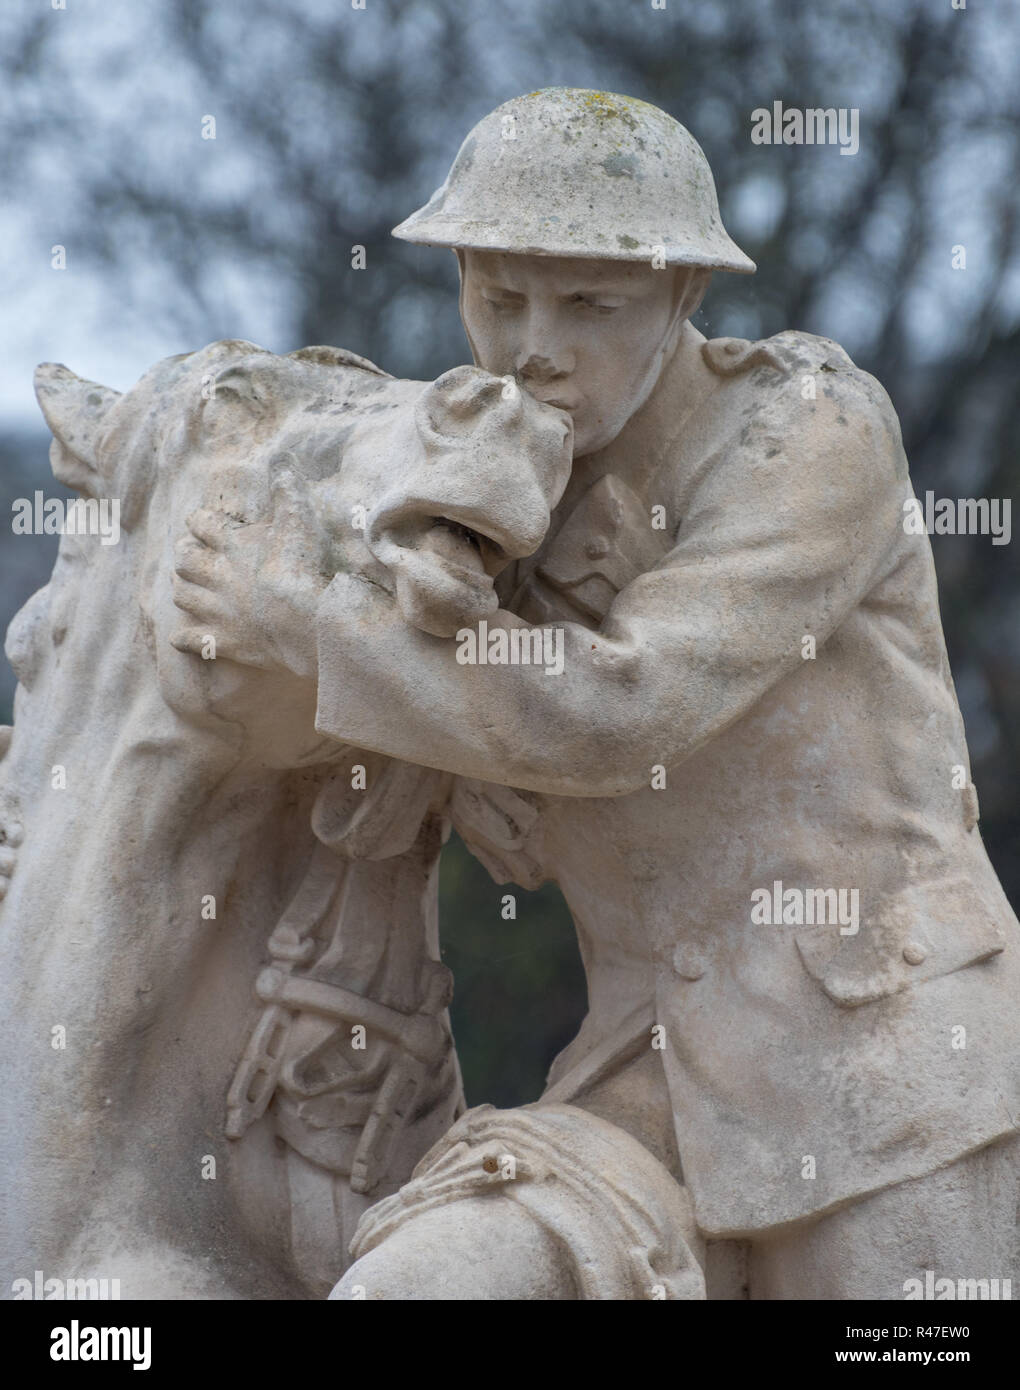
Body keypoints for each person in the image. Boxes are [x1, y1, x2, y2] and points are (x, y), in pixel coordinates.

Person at [174, 89, 1020, 1299]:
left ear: (684, 296)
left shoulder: (813, 434)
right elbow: (497, 808)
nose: (533, 344)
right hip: (644, 1083)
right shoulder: (490, 486)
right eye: (498, 293)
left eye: (590, 303)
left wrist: (317, 633)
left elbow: (624, 713)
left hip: (885, 1077)